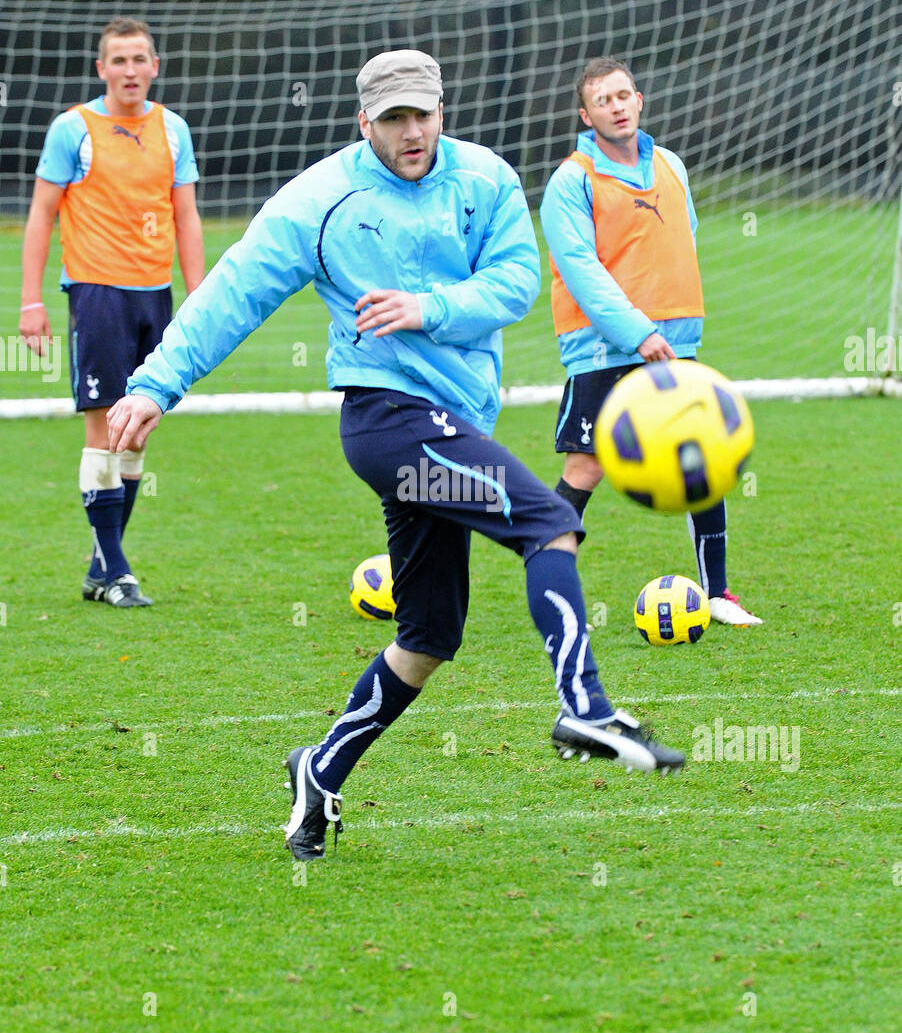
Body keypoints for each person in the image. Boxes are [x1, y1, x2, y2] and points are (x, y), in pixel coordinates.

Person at [107, 48, 685, 862]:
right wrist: (155, 384)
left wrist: (428, 306)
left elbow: (518, 283)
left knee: (429, 634)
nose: (411, 133)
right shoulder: (320, 199)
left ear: (443, 110)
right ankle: (584, 707)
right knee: (549, 520)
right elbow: (234, 291)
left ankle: (320, 767)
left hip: (456, 422)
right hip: (385, 419)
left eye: (423, 114)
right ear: (363, 122)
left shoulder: (483, 180)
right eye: (393, 120)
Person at [540, 56, 762, 627]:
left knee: (702, 454)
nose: (616, 107)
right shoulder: (571, 180)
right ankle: (552, 592)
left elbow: (681, 240)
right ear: (585, 115)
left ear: (639, 100)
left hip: (673, 341)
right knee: (587, 468)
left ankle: (718, 594)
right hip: (604, 346)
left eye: (624, 95)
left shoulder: (671, 165)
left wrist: (671, 329)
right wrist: (636, 331)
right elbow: (581, 269)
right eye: (603, 101)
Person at [20, 16, 204, 607]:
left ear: (155, 66)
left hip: (155, 294)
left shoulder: (172, 129)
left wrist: (199, 295)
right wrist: (31, 301)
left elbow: (186, 217)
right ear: (102, 69)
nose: (130, 70)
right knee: (103, 424)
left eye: (139, 59)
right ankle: (115, 568)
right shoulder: (72, 129)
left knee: (137, 429)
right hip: (97, 292)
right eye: (118, 60)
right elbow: (41, 215)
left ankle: (103, 567)